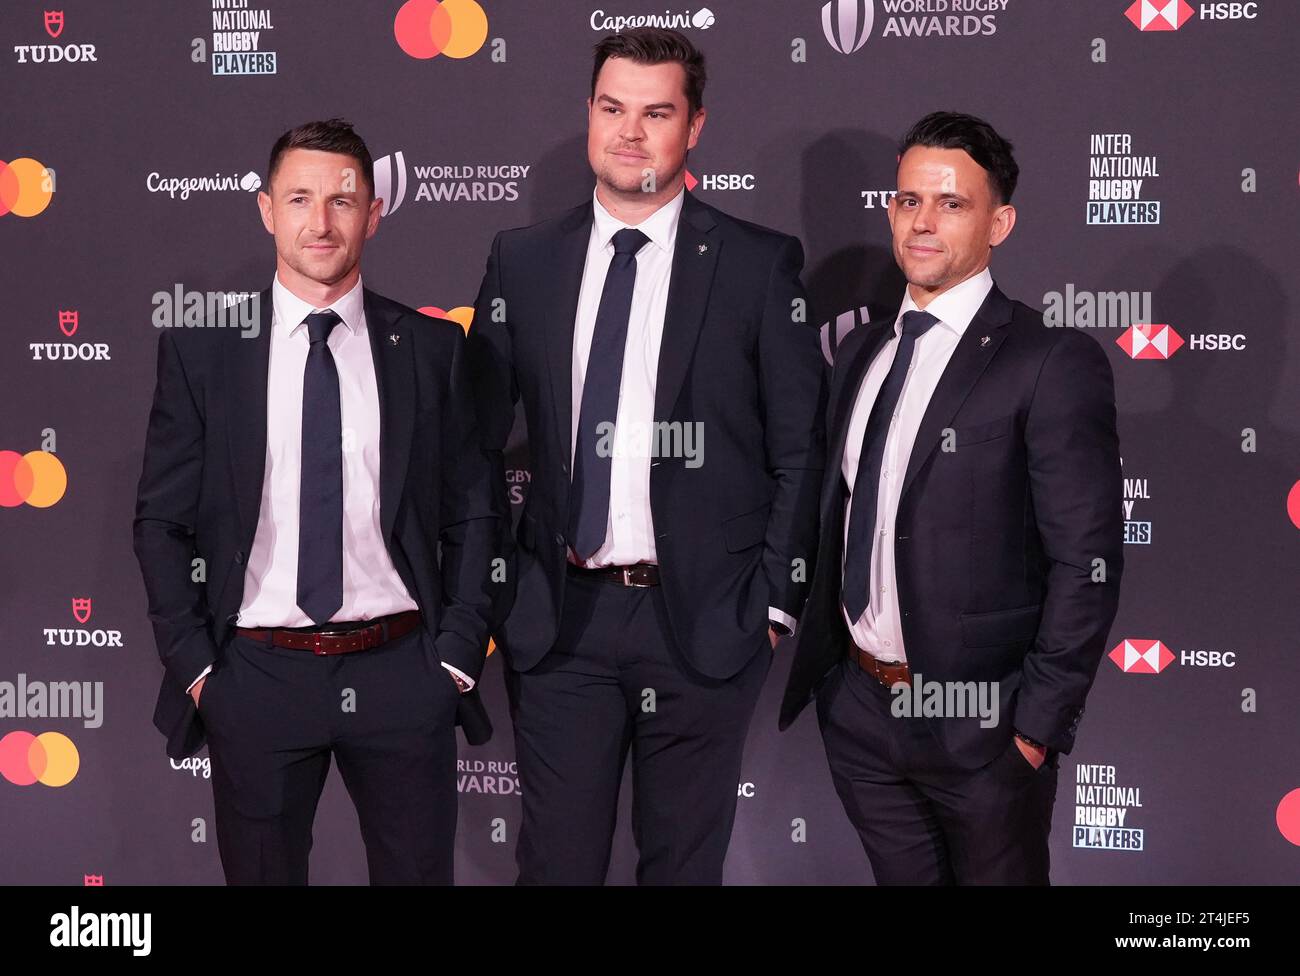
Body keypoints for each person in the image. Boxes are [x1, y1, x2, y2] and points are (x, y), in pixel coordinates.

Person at [467, 28, 827, 884]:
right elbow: (469, 441)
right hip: (560, 622)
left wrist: (772, 605)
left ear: (694, 125)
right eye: (613, 108)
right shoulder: (524, 258)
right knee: (555, 865)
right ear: (589, 115)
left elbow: (800, 448)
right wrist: (497, 589)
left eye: (656, 112)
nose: (631, 132)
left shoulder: (756, 263)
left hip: (704, 620)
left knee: (681, 869)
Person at [133, 118, 499, 884]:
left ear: (374, 211)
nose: (321, 221)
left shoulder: (431, 350)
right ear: (267, 210)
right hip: (257, 675)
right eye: (300, 198)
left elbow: (473, 509)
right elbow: (160, 523)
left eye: (342, 199)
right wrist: (201, 669)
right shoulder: (204, 349)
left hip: (403, 668)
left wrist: (457, 657)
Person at [780, 111, 1123, 885]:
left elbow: (1087, 561)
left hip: (985, 730)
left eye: (951, 203)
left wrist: (1033, 729)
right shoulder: (862, 350)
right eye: (907, 201)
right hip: (862, 714)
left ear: (999, 222)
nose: (922, 222)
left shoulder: (1050, 360)